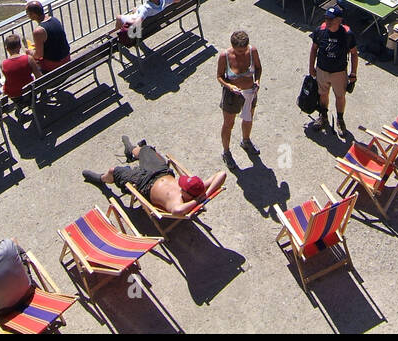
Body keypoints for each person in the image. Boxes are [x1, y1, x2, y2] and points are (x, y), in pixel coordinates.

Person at [83, 137, 227, 215]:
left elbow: (176, 211)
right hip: (161, 172)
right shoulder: (199, 189)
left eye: (182, 186)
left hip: (144, 183)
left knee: (114, 170)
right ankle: (131, 150)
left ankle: (101, 179)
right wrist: (205, 196)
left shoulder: (178, 203)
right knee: (146, 150)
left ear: (186, 192)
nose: (180, 184)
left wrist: (196, 202)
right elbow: (222, 174)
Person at [308, 6, 359, 136]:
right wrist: (311, 67)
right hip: (322, 70)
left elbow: (354, 54)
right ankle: (323, 116)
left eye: (331, 19)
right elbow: (314, 49)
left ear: (339, 20)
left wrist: (353, 73)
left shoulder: (347, 34)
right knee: (323, 94)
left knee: (340, 96)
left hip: (339, 72)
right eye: (326, 18)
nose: (328, 21)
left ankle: (340, 119)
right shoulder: (320, 31)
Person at [216, 29, 263, 165]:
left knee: (248, 119)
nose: (242, 53)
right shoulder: (224, 56)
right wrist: (229, 86)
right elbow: (219, 76)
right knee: (228, 124)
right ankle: (226, 152)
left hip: (250, 92)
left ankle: (246, 141)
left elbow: (258, 68)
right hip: (232, 95)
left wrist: (257, 81)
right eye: (239, 51)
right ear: (233, 46)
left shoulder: (252, 51)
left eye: (244, 50)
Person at [25, 0, 71, 71]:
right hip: (67, 59)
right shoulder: (54, 19)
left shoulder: (38, 31)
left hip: (54, 64)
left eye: (27, 13)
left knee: (29, 62)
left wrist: (29, 52)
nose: (27, 15)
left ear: (34, 14)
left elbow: (38, 55)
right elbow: (53, 40)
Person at [0, 33, 41, 101]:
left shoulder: (3, 65)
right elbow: (39, 77)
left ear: (6, 49)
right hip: (30, 93)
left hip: (14, 97)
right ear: (19, 46)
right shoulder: (28, 59)